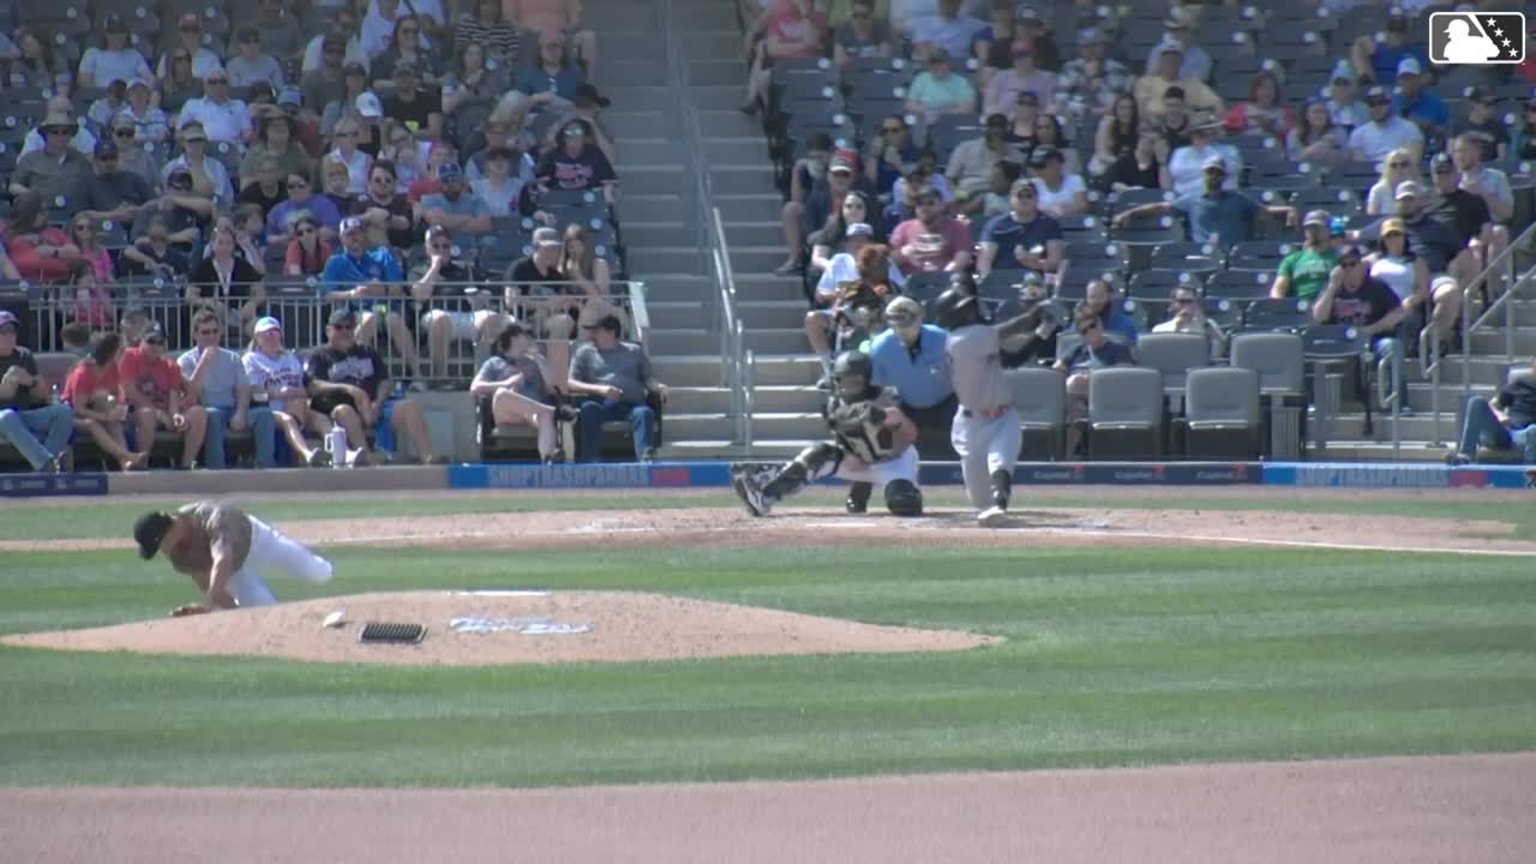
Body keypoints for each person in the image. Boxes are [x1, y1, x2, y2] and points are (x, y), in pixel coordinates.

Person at [729, 351, 923, 518]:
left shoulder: (886, 398)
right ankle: (766, 494)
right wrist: (858, 493)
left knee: (903, 504)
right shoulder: (833, 407)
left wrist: (886, 416)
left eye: (856, 378)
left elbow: (910, 435)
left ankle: (908, 489)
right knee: (819, 453)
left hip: (895, 461)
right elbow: (853, 448)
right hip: (860, 461)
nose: (850, 383)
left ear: (867, 377)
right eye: (845, 378)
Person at [930, 285, 1061, 526]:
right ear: (954, 316)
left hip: (1002, 416)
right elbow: (1011, 329)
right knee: (979, 499)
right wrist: (1033, 316)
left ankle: (1001, 502)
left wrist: (1043, 331)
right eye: (965, 309)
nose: (972, 311)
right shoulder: (963, 339)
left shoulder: (977, 338)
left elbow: (1013, 360)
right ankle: (993, 505)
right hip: (970, 423)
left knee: (1001, 459)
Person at [132, 501, 335, 615]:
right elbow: (210, 585)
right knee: (264, 611)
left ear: (168, 532)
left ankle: (308, 552)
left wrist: (207, 604)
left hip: (256, 540)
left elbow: (222, 559)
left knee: (319, 573)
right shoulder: (178, 556)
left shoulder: (210, 516)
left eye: (158, 545)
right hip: (234, 570)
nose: (160, 551)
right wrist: (236, 612)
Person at [305, 309, 445, 464]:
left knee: (409, 407)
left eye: (349, 327)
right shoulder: (319, 355)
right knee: (345, 411)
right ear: (328, 330)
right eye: (339, 327)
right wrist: (349, 390)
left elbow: (385, 381)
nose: (345, 331)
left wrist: (378, 402)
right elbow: (313, 385)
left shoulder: (368, 351)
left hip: (374, 405)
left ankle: (427, 456)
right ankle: (366, 457)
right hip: (340, 408)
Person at [1310, 244, 1409, 415]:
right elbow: (1318, 317)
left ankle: (1397, 403)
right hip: (1340, 343)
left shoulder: (1376, 287)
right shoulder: (1332, 289)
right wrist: (1332, 287)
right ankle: (1317, 403)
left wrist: (1372, 329)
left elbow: (1399, 312)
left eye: (1353, 264)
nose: (1349, 269)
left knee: (1392, 346)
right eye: (1343, 265)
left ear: (1362, 265)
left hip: (1372, 339)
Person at [178, 310, 279, 470]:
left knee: (265, 415)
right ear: (195, 335)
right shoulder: (185, 361)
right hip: (206, 409)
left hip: (232, 408)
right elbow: (190, 393)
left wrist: (240, 411)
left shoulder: (233, 358)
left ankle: (265, 468)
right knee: (213, 415)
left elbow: (243, 389)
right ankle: (217, 469)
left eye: (215, 331)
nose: (211, 336)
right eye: (205, 332)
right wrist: (203, 363)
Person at [867, 295, 957, 474]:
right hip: (908, 406)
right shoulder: (879, 347)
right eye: (896, 320)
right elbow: (876, 389)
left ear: (920, 316)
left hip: (948, 401)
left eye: (908, 318)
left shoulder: (941, 338)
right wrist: (896, 414)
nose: (903, 328)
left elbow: (961, 373)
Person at [565, 313, 667, 462]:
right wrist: (600, 390)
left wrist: (658, 387)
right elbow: (571, 383)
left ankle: (646, 458)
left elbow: (647, 378)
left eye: (597, 331)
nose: (592, 335)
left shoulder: (634, 351)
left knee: (644, 412)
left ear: (611, 332)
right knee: (588, 409)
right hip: (600, 403)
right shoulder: (584, 352)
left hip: (631, 403)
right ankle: (590, 458)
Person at [470, 323, 569, 464]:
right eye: (527, 336)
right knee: (501, 393)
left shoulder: (535, 363)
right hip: (506, 413)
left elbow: (554, 387)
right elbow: (475, 387)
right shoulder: (494, 363)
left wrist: (539, 359)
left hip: (532, 413)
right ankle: (554, 411)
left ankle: (548, 459)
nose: (531, 340)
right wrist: (506, 383)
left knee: (545, 416)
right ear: (514, 338)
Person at [244, 317, 331, 467]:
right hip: (267, 409)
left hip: (296, 405)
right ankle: (307, 454)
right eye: (266, 333)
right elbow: (253, 393)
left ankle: (341, 454)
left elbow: (305, 388)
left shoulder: (290, 358)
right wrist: (278, 393)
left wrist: (296, 393)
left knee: (321, 419)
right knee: (287, 420)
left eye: (275, 332)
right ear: (257, 338)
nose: (271, 336)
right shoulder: (251, 360)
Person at [120, 325, 208, 470]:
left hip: (164, 414)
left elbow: (173, 399)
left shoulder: (171, 366)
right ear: (142, 341)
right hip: (135, 412)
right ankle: (142, 464)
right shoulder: (130, 356)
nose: (155, 346)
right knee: (147, 414)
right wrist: (158, 413)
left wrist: (176, 416)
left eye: (160, 342)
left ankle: (187, 465)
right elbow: (131, 392)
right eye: (151, 341)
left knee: (199, 413)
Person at [60, 331, 150, 471]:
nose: (124, 353)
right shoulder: (83, 373)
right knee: (92, 424)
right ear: (110, 352)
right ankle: (129, 456)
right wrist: (104, 416)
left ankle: (125, 464)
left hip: (99, 411)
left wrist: (116, 409)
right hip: (73, 415)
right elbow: (78, 408)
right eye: (120, 350)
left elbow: (112, 395)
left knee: (111, 416)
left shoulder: (113, 369)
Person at [0, 310, 74, 472]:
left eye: (12, 331)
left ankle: (46, 464)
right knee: (6, 416)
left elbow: (42, 395)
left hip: (23, 415)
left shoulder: (23, 355)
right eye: (3, 332)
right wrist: (7, 383)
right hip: (3, 419)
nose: (9, 336)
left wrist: (30, 381)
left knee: (63, 412)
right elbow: (6, 395)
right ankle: (47, 463)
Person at [1448, 357, 1536, 474]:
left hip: (1527, 435)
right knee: (1477, 402)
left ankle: (1530, 473)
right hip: (1505, 432)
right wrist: (1500, 415)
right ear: (1533, 365)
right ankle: (1465, 456)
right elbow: (1493, 405)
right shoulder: (1519, 384)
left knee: (1533, 430)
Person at [1270, 210, 1340, 302]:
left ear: (1328, 230)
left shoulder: (1338, 257)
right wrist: (1279, 306)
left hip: (1329, 306)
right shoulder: (1292, 260)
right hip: (1298, 309)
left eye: (1317, 227)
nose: (1313, 231)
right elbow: (1278, 288)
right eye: (1309, 227)